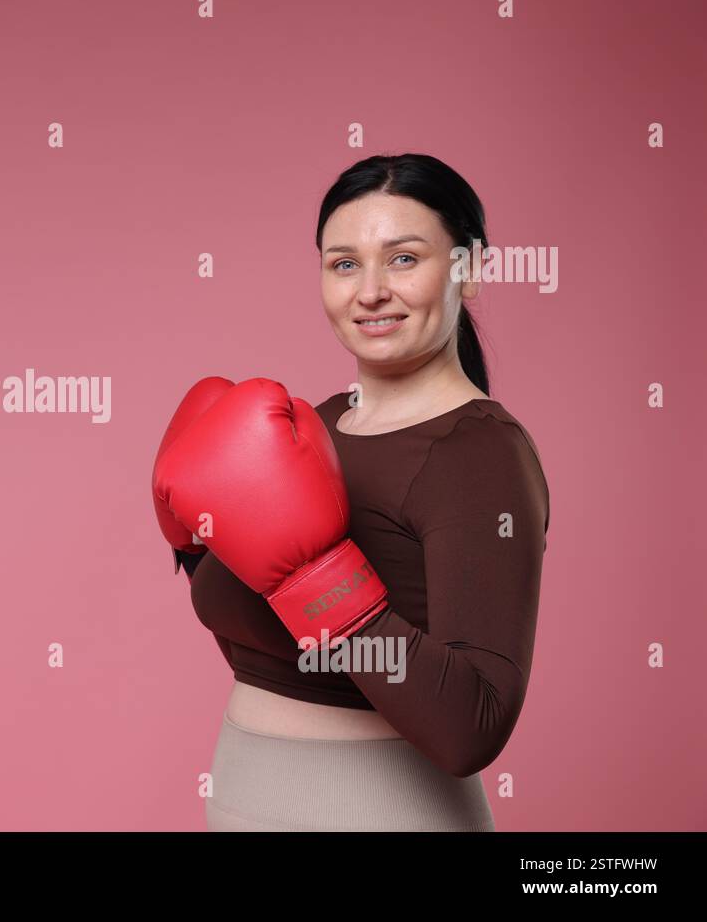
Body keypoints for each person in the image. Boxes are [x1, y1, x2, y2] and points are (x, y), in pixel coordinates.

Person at [153, 153, 550, 831]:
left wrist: (324, 583)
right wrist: (194, 545)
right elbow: (267, 648)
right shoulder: (316, 425)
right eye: (344, 263)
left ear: (469, 268)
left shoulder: (480, 454)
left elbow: (470, 725)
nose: (369, 291)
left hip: (380, 813)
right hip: (248, 801)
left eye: (402, 259)